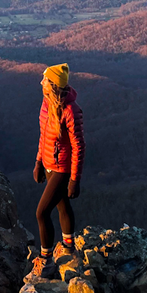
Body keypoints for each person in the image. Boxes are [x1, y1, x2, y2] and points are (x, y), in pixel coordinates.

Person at [33, 62, 85, 276]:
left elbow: (78, 146)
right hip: (48, 165)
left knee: (41, 213)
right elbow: (43, 136)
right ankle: (69, 247)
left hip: (62, 168)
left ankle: (46, 261)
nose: (41, 82)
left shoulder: (71, 111)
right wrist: (38, 162)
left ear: (53, 84)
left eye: (45, 79)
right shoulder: (46, 104)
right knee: (62, 208)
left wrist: (74, 179)